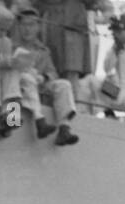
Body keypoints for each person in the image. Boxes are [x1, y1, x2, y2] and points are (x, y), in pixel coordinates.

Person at [6, 6, 82, 145]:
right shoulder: (10, 46)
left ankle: (64, 128)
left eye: (31, 24)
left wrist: (43, 77)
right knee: (25, 78)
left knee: (64, 84)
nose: (27, 29)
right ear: (18, 26)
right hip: (17, 92)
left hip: (38, 87)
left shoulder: (43, 50)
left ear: (38, 27)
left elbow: (52, 72)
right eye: (24, 24)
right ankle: (31, 121)